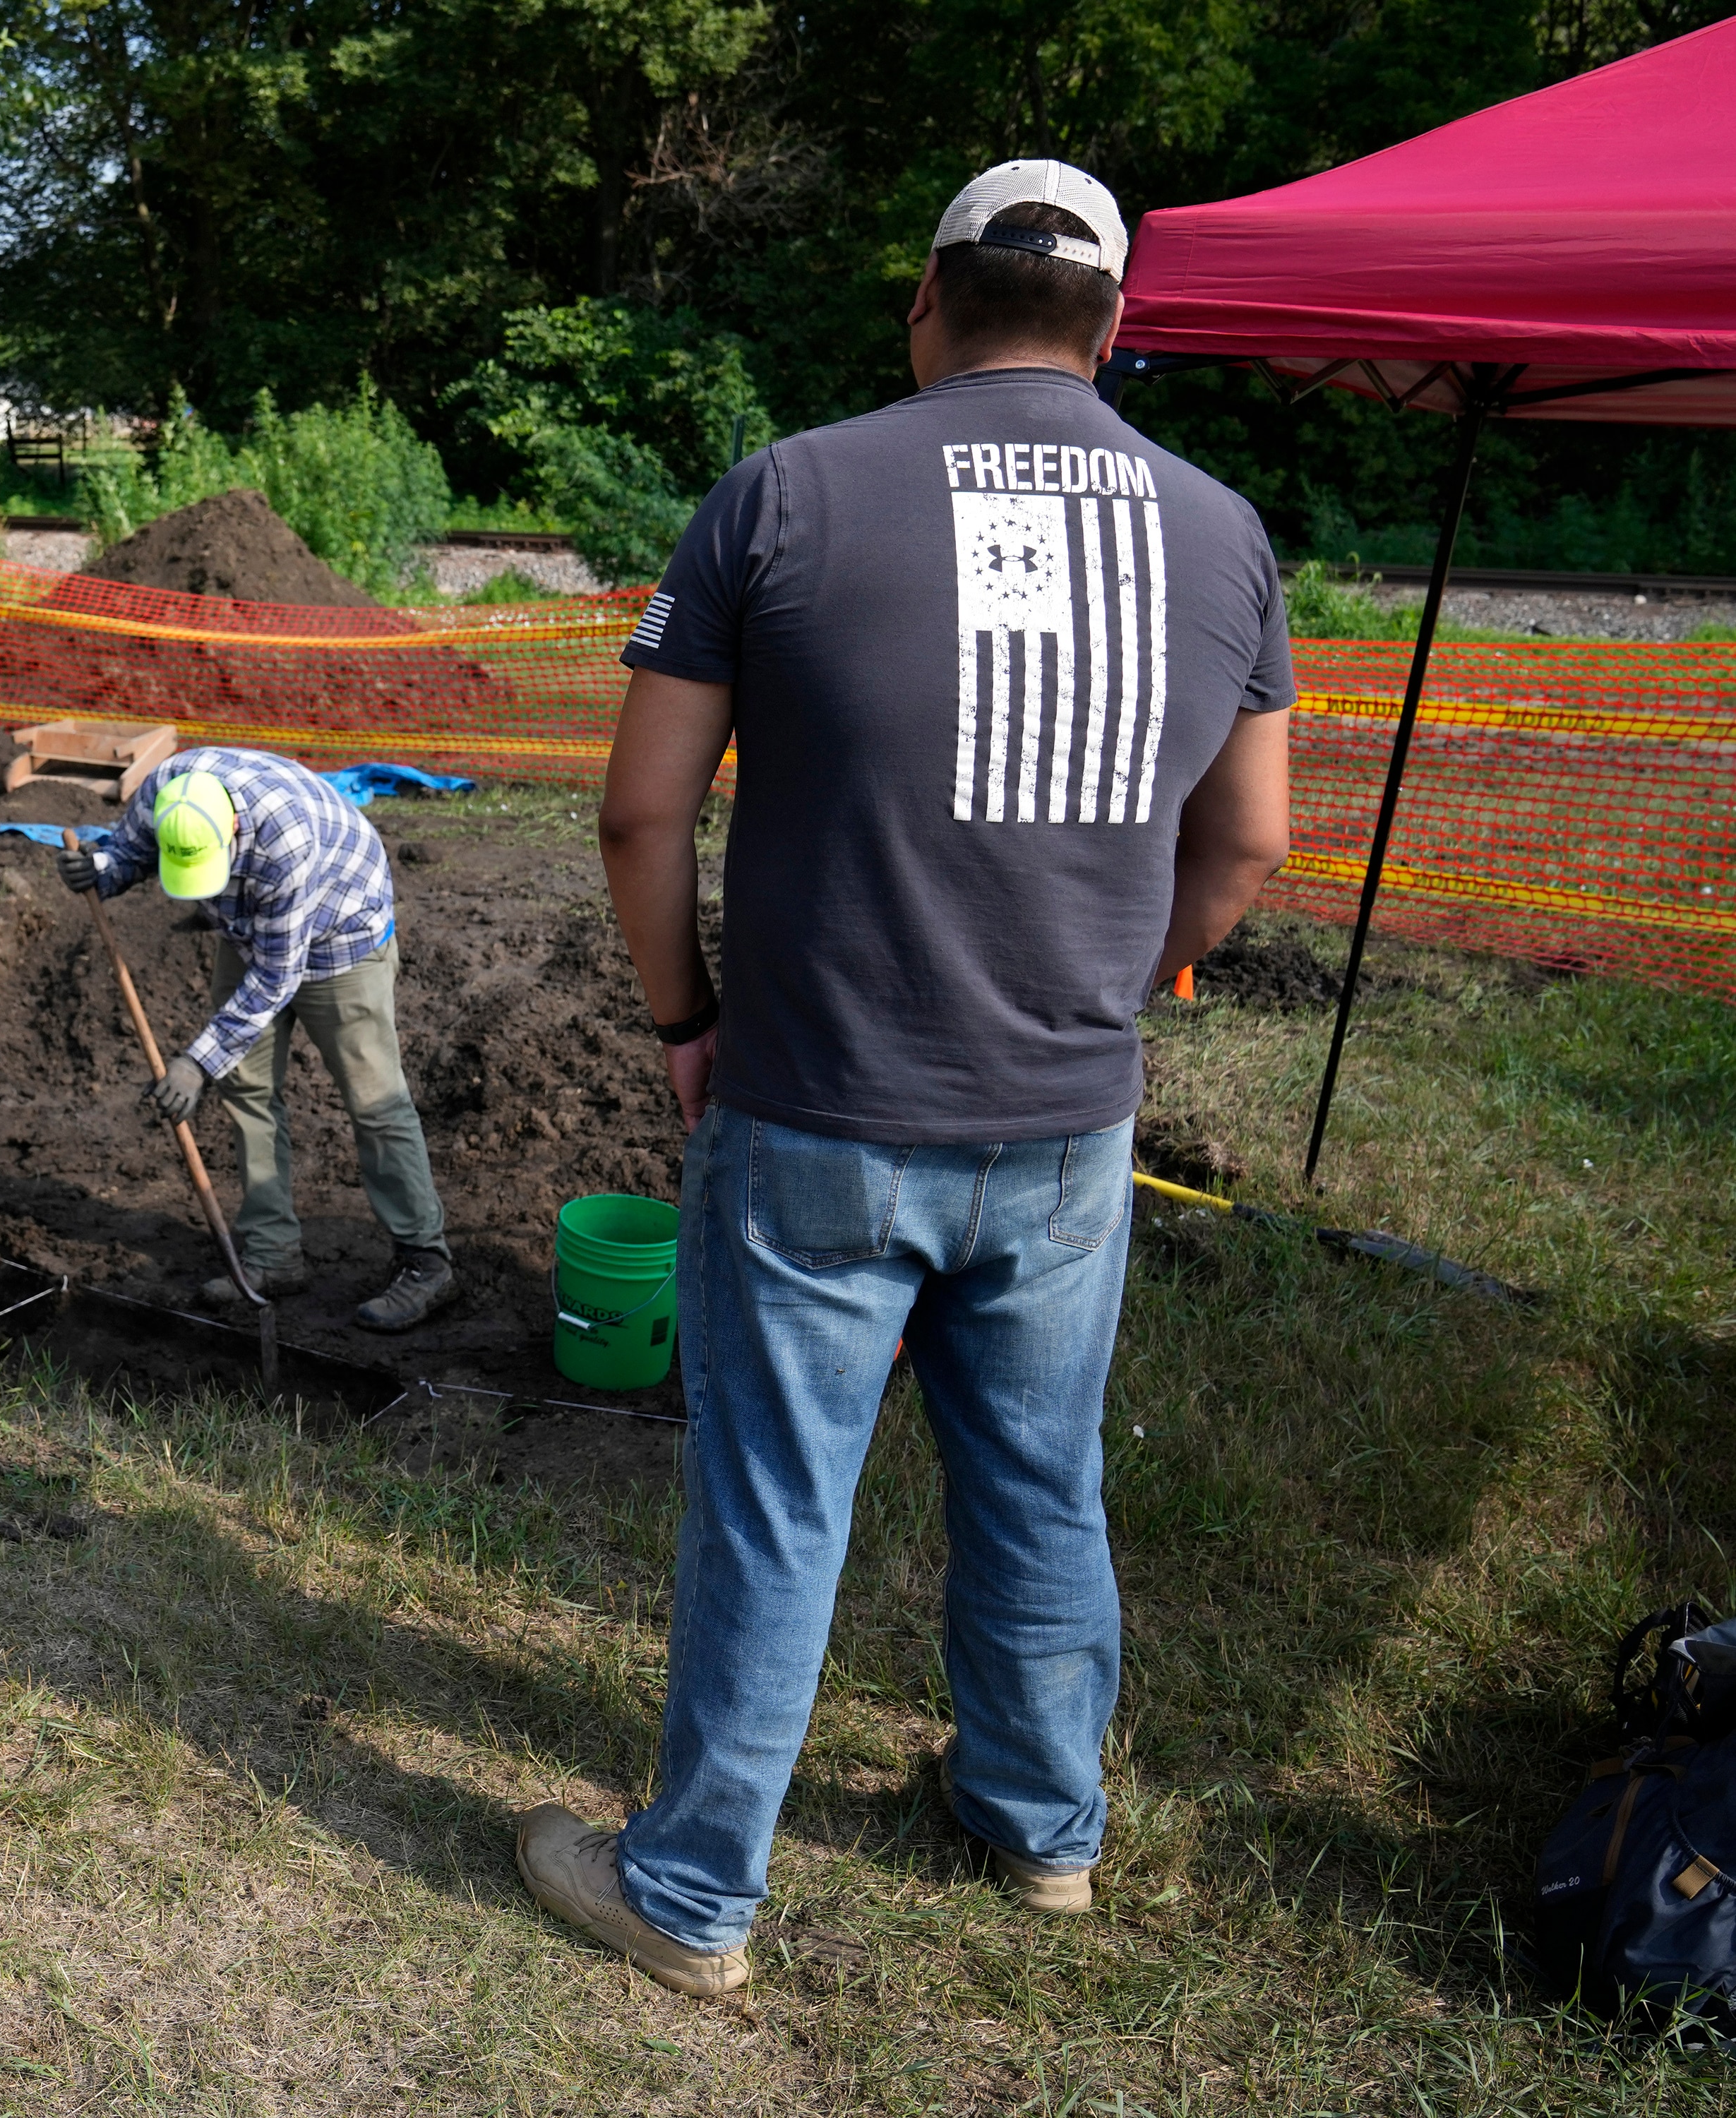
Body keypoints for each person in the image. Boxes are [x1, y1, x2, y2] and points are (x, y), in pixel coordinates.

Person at [514, 159, 1293, 1997]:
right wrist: (1120, 975)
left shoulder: (785, 492)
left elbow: (640, 809)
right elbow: (1249, 844)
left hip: (812, 1100)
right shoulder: (1221, 532)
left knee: (782, 1498)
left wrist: (683, 1022)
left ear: (924, 305)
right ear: (1112, 333)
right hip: (1066, 1114)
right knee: (1039, 1476)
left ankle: (691, 1893)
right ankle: (1039, 1833)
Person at [58, 748, 460, 1333]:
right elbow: (132, 852)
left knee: (375, 1102)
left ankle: (428, 1263)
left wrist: (197, 1062)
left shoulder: (282, 843)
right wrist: (102, 870)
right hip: (249, 928)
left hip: (342, 933)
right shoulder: (164, 789)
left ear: (235, 830)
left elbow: (276, 978)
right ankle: (273, 1256)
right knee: (245, 1088)